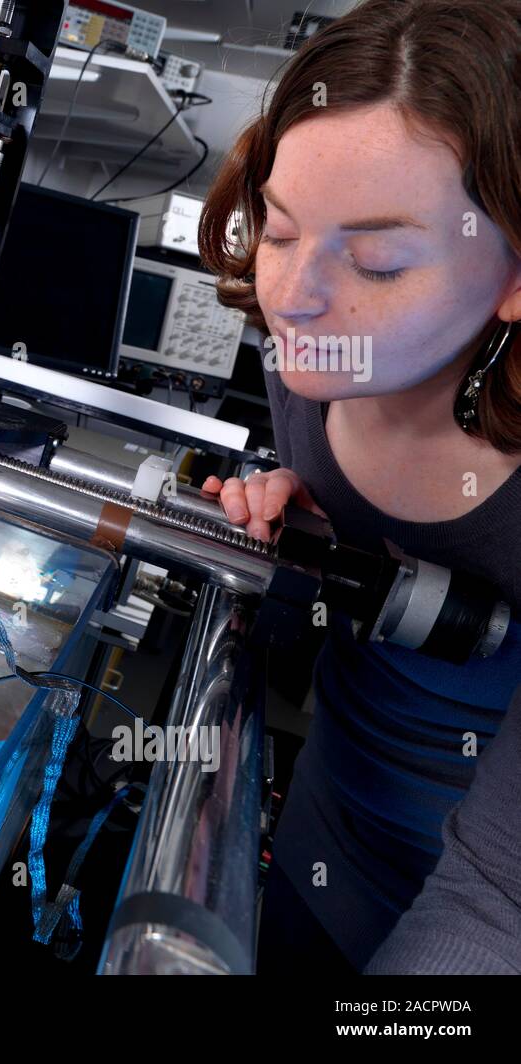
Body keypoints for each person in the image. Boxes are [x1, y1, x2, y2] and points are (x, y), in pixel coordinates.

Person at [195, 0, 521, 973]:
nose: (291, 297)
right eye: (282, 230)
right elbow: (298, 640)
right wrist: (287, 542)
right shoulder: (305, 371)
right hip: (328, 836)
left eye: (376, 261)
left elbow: (495, 899)